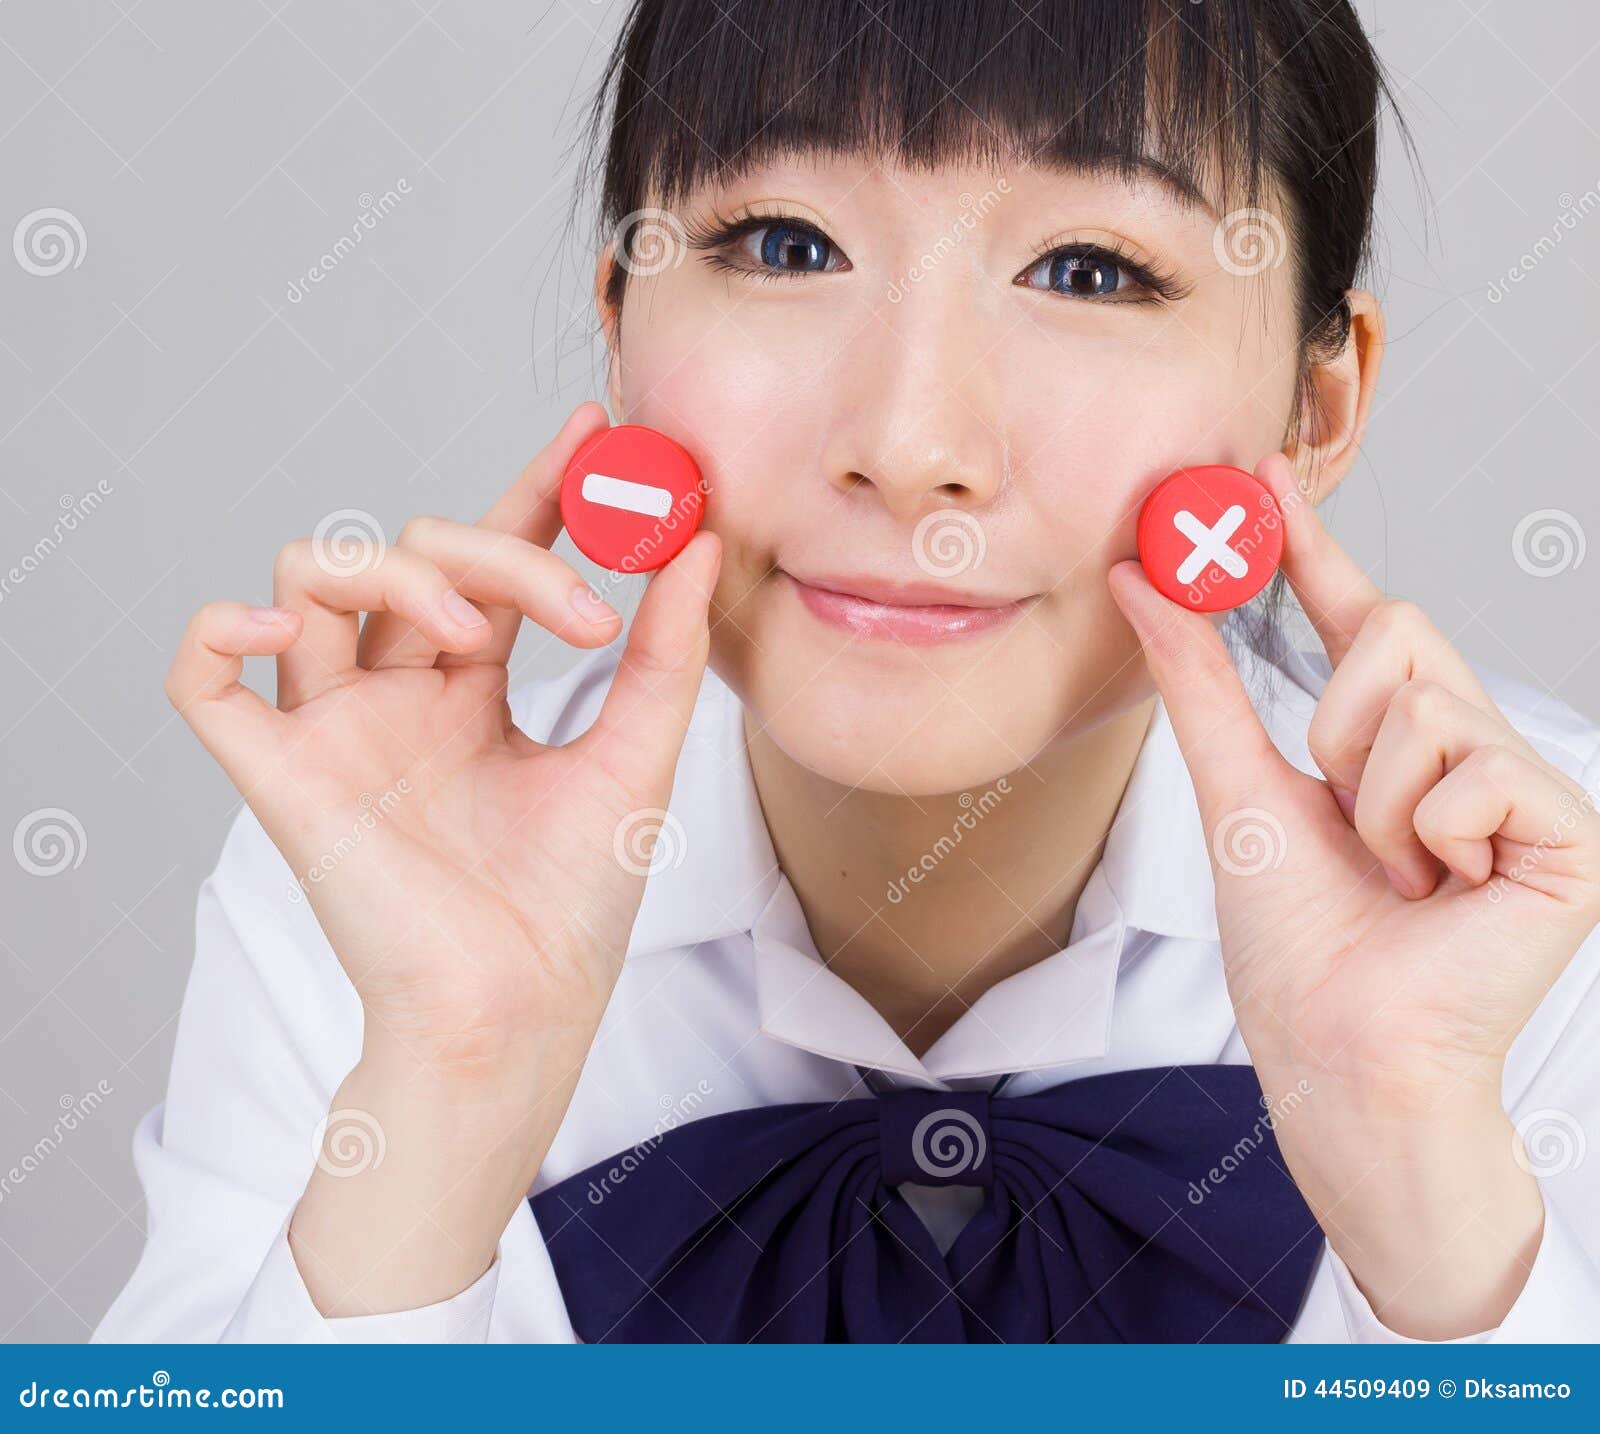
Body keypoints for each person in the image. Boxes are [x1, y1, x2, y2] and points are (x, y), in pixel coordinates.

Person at [97, 0, 1600, 1343]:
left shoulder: (1520, 902)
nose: (909, 439)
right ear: (621, 333)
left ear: (1316, 405)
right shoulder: (379, 864)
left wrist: (1428, 1196)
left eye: (1088, 268)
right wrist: (442, 1077)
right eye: (787, 246)